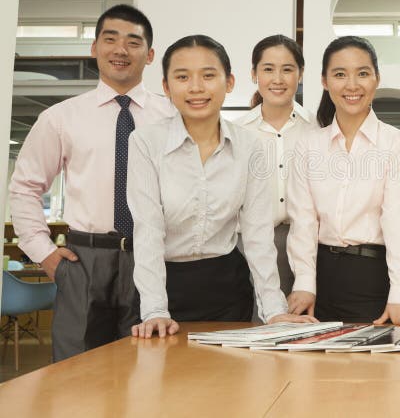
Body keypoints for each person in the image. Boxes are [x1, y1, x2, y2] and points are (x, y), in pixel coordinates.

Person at [8, 4, 174, 360]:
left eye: (133, 42)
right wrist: (44, 254)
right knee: (76, 369)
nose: (120, 50)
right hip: (84, 261)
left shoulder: (172, 117)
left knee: (149, 366)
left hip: (153, 257)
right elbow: (24, 188)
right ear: (94, 47)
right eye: (110, 39)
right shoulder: (60, 118)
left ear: (150, 55)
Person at [127, 35, 314, 338]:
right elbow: (147, 231)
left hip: (228, 288)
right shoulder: (145, 142)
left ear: (229, 82)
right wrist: (154, 310)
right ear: (166, 87)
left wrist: (274, 310)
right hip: (162, 288)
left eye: (208, 75)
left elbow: (257, 235)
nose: (196, 87)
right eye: (182, 77)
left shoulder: (249, 145)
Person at [285, 36, 400, 327]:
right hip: (318, 280)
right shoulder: (308, 145)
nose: (352, 85)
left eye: (362, 73)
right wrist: (304, 282)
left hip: (372, 278)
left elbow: (398, 224)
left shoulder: (395, 143)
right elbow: (303, 220)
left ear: (377, 79)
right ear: (324, 81)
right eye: (340, 74)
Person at [234, 35, 314, 296]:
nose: (277, 79)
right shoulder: (235, 132)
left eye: (287, 69)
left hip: (304, 246)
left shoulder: (317, 128)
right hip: (247, 245)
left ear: (300, 74)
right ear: (254, 74)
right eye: (268, 69)